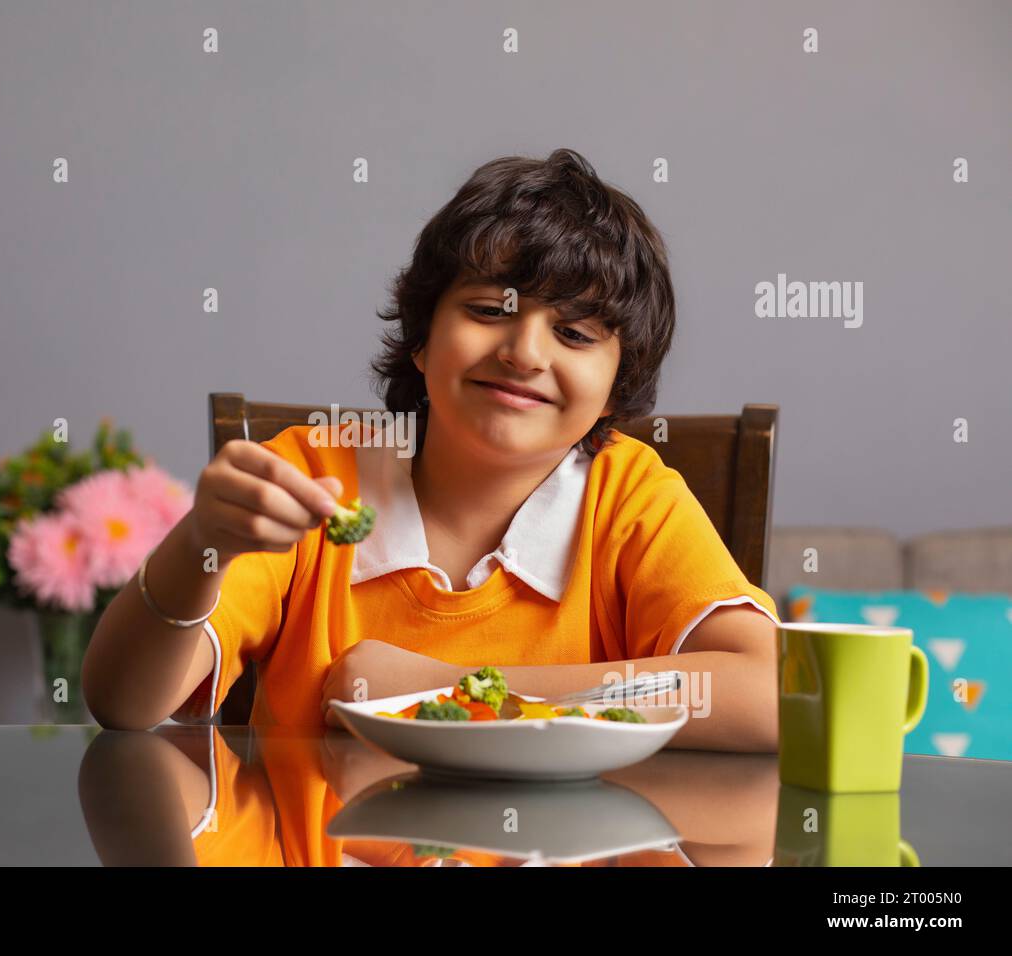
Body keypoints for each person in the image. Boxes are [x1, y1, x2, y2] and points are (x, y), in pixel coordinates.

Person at [83, 148, 781, 751]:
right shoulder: (318, 477)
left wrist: (443, 690)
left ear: (615, 386)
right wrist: (201, 543)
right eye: (487, 311)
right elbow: (124, 705)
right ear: (421, 337)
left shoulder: (630, 499)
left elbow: (771, 695)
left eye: (573, 334)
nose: (524, 353)